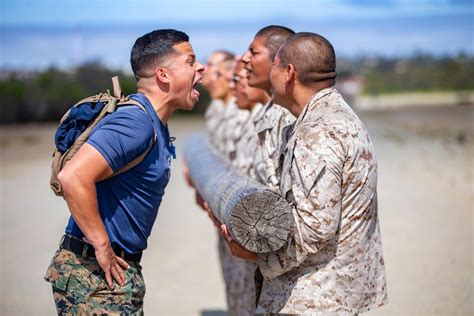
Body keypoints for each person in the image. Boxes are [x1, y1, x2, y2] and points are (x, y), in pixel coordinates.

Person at [225, 32, 388, 314]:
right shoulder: (332, 117)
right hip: (332, 292)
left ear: (288, 73)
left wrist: (258, 256)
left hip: (314, 297)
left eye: (274, 66)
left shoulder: (318, 132)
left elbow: (314, 228)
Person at [44, 29, 204, 314]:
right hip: (95, 273)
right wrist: (102, 245)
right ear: (163, 75)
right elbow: (73, 176)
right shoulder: (136, 122)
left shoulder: (152, 122)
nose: (201, 68)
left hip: (113, 270)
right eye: (191, 61)